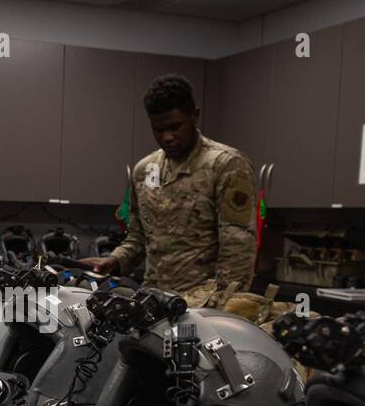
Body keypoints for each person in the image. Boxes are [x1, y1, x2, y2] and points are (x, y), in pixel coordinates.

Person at [81, 74, 257, 308]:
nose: (167, 137)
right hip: (153, 302)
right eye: (158, 129)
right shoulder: (144, 171)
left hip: (202, 306)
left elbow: (238, 251)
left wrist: (222, 308)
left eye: (175, 127)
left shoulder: (226, 165)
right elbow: (138, 239)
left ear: (195, 115)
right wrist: (114, 260)